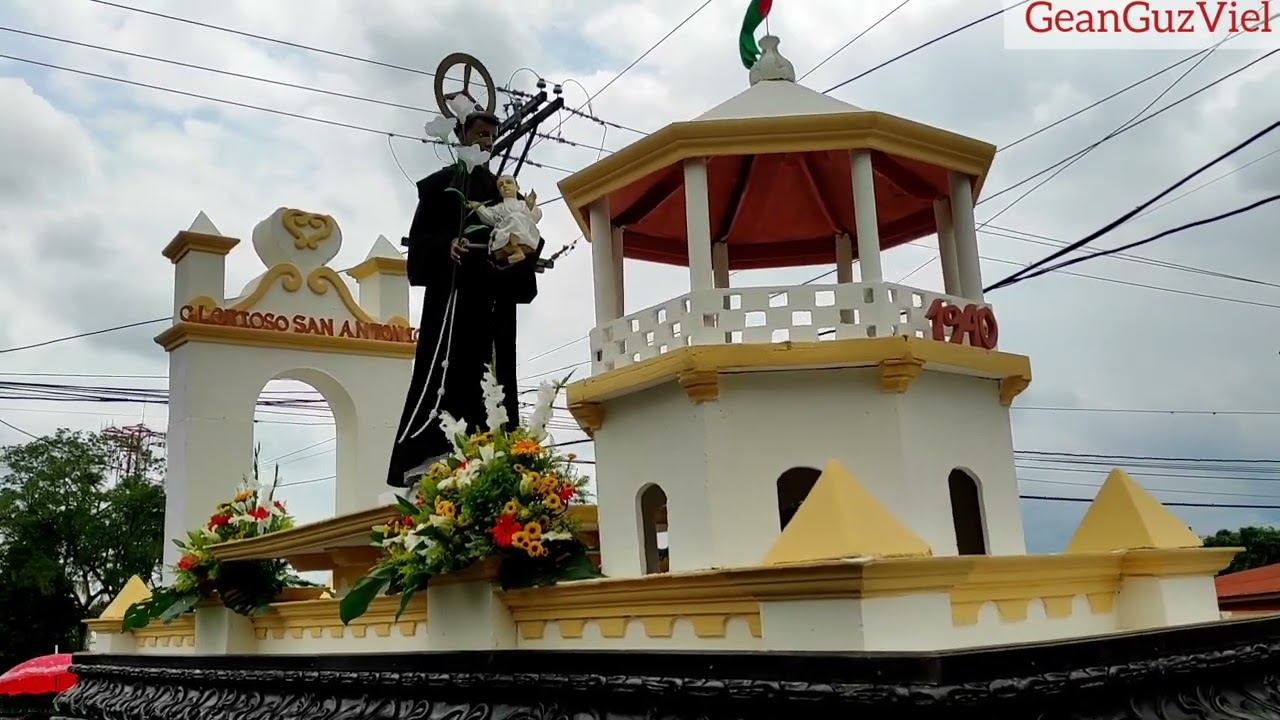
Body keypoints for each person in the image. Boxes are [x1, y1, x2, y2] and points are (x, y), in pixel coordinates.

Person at [386, 109, 545, 488]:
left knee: (493, 377)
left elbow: (527, 240)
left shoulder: (506, 192)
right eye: (479, 133)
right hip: (453, 302)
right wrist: (448, 246)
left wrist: (518, 252)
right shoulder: (440, 186)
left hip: (491, 303)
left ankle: (495, 449)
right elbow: (420, 248)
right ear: (461, 136)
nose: (486, 141)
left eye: (491, 135)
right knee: (448, 374)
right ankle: (434, 454)